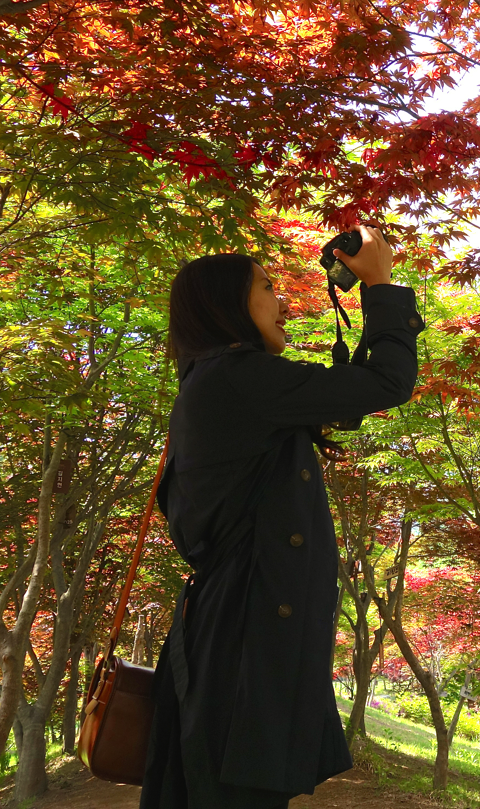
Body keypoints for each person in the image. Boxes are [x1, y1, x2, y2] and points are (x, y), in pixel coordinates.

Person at [141, 225, 424, 809]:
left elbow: (349, 400)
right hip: (245, 628)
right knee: (237, 790)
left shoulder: (215, 381)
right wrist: (379, 286)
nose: (284, 303)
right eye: (268, 288)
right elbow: (388, 383)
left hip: (231, 620)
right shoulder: (237, 379)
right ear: (227, 306)